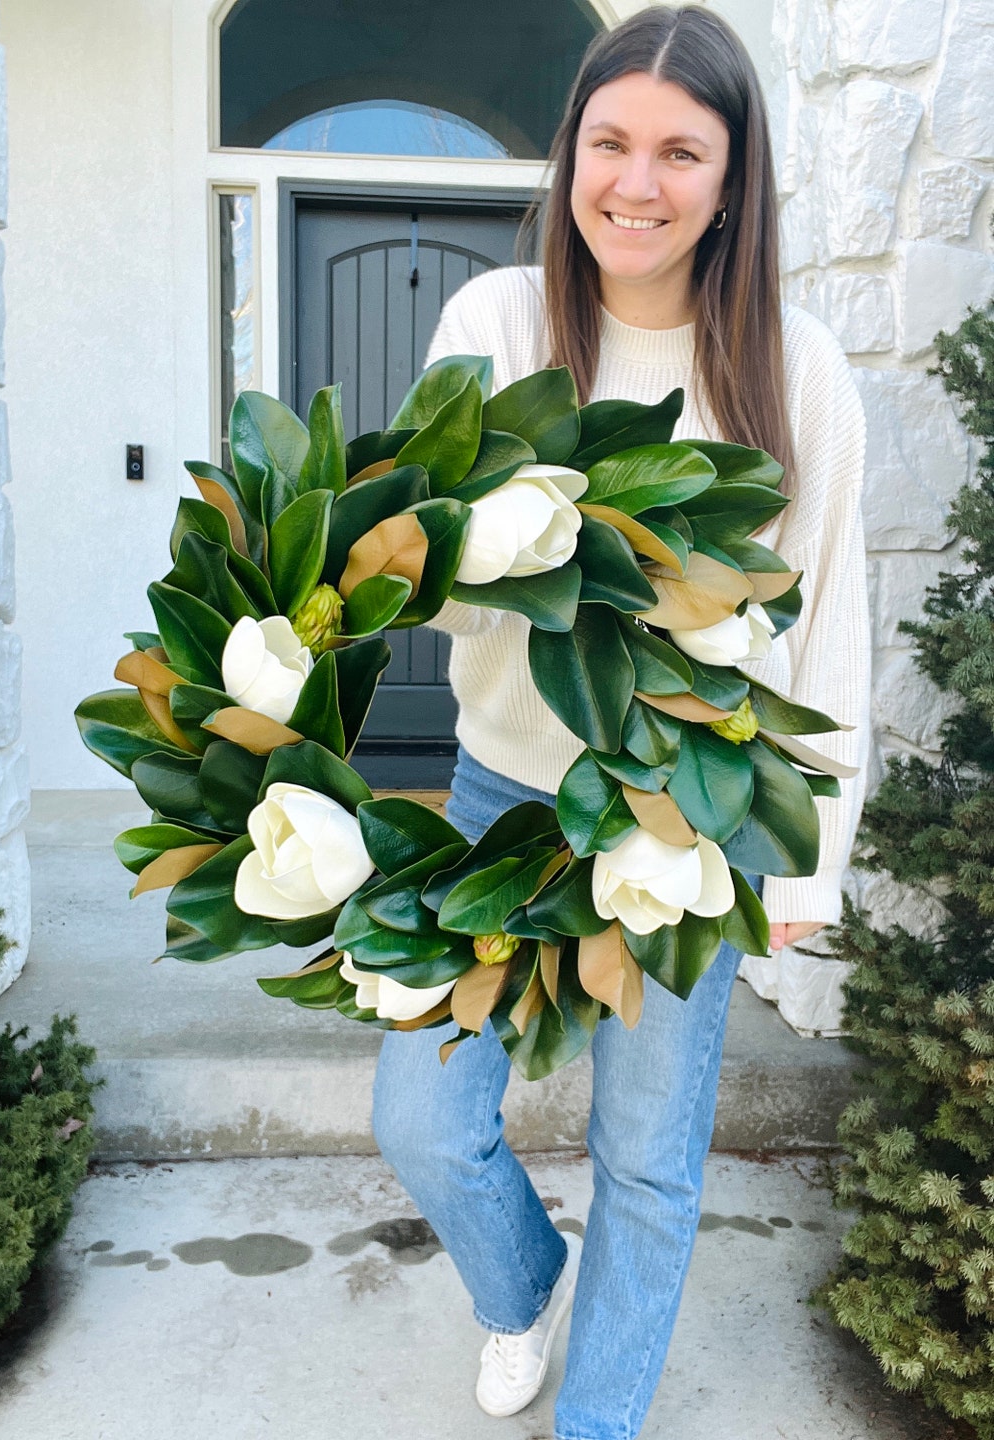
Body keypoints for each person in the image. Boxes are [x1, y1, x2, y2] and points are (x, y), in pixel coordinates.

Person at [370, 7, 871, 1437]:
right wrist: (439, 560)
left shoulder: (797, 372)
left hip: (685, 833)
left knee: (649, 1162)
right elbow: (440, 598)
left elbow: (827, 626)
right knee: (422, 1119)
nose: (635, 184)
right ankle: (524, 1289)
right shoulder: (497, 330)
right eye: (610, 142)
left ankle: (599, 1421)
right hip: (498, 802)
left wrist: (810, 859)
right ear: (569, 154)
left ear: (731, 179)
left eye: (679, 151)